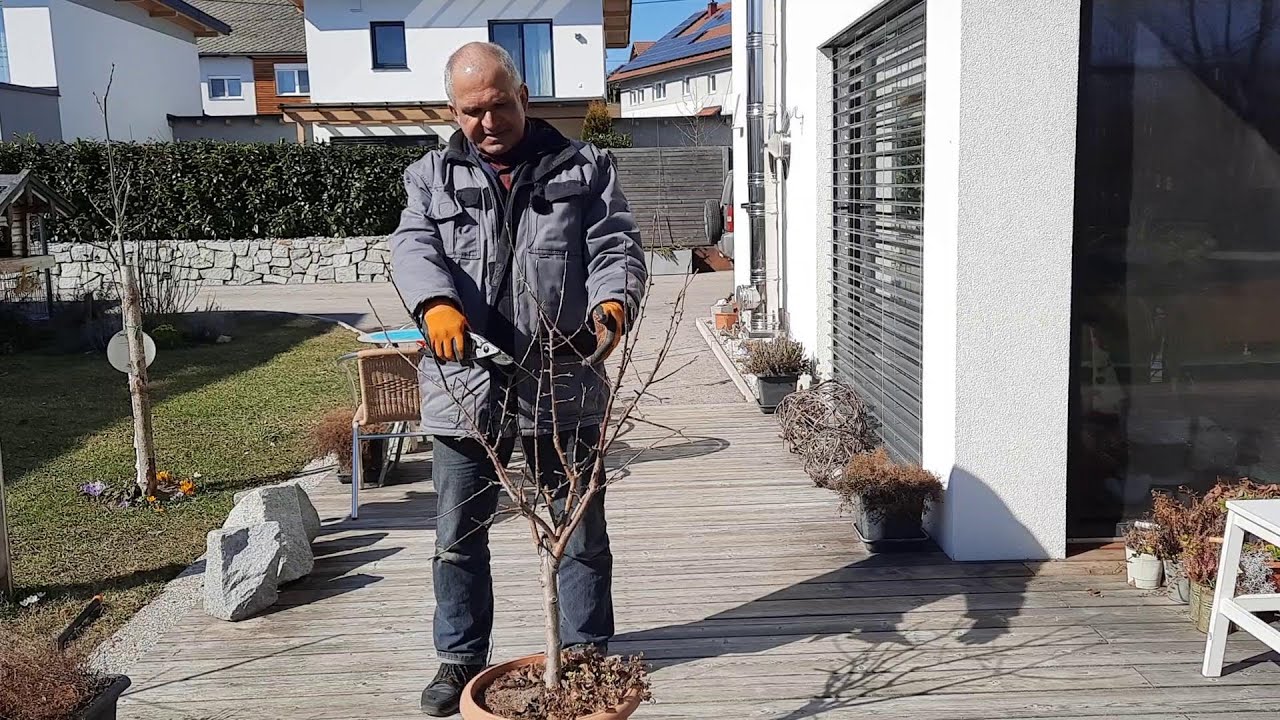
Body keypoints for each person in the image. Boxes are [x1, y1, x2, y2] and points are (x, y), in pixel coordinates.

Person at [389, 42, 647, 717]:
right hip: (464, 389)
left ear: (523, 97)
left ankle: (586, 653)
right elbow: (413, 247)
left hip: (562, 382)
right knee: (456, 540)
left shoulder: (586, 168)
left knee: (581, 533)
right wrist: (434, 304)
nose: (487, 120)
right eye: (471, 110)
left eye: (499, 104)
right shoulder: (429, 177)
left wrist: (612, 303)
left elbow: (615, 244)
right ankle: (460, 660)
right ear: (454, 111)